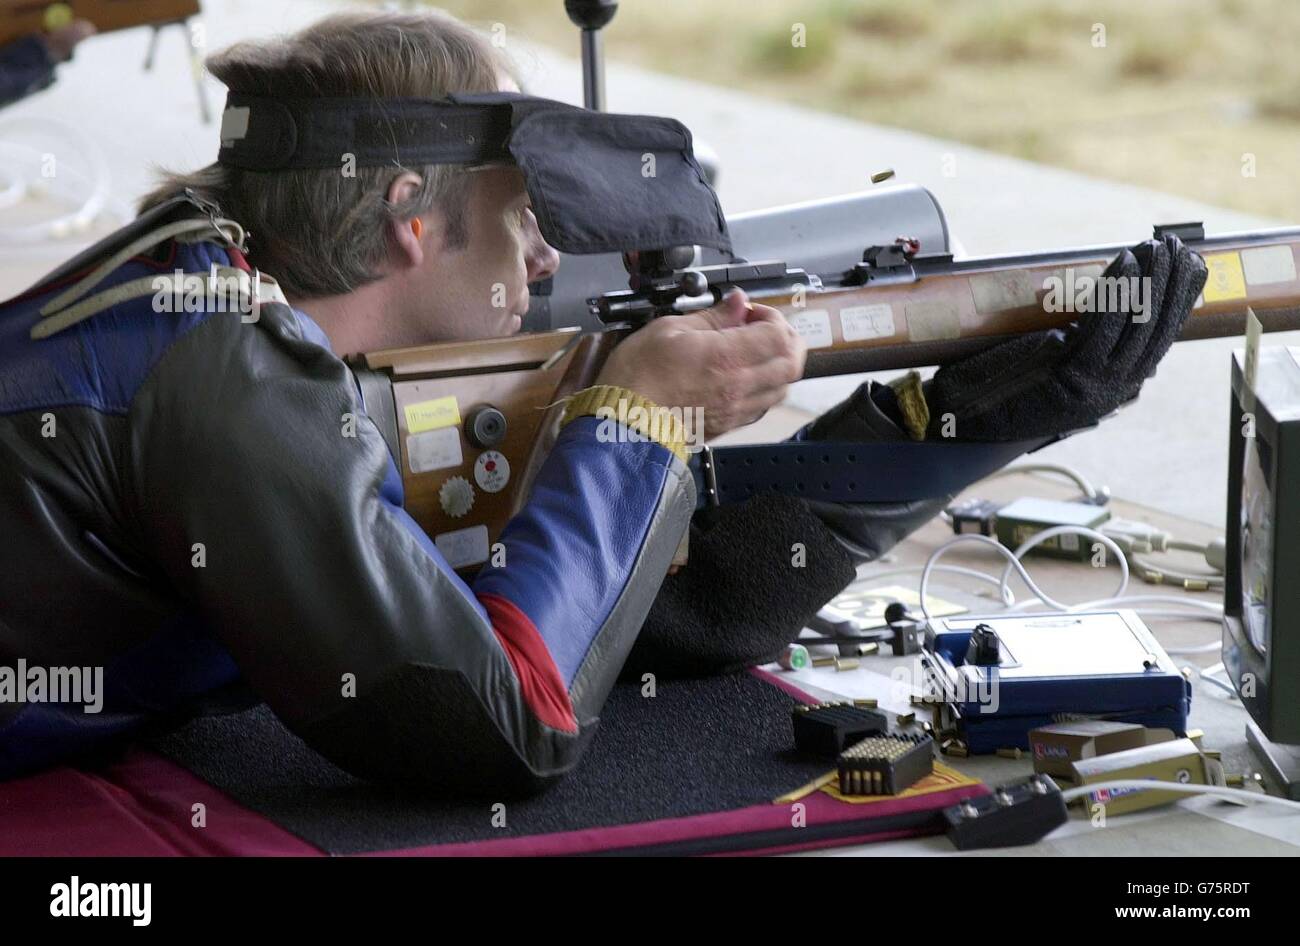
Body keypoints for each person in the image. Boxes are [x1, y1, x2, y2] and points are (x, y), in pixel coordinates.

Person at [0, 11, 1205, 793]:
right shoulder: (227, 371)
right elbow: (505, 724)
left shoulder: (209, 290)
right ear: (415, 221)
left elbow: (640, 624)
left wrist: (943, 429)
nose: (543, 261)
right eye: (531, 213)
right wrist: (638, 419)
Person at [0, 20, 95, 109]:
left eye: (74, 34)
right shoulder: (28, 39)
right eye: (71, 29)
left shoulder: (47, 78)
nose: (67, 32)